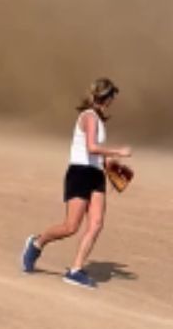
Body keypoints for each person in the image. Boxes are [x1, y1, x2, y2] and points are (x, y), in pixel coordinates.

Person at [21, 78, 132, 289]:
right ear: (105, 96)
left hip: (95, 175)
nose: (113, 101)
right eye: (112, 97)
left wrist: (111, 164)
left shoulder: (99, 120)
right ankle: (36, 243)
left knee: (96, 223)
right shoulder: (89, 117)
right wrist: (119, 151)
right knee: (71, 226)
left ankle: (75, 270)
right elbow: (91, 147)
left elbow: (96, 153)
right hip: (79, 174)